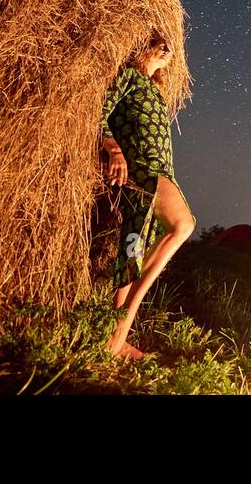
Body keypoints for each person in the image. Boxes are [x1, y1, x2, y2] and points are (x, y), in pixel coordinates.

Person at [99, 31, 196, 359]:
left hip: (160, 169)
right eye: (160, 44)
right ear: (143, 48)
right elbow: (99, 115)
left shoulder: (155, 90)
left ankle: (113, 337)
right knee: (183, 225)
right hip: (142, 165)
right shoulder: (128, 76)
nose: (167, 50)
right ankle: (120, 331)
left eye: (170, 47)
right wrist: (113, 148)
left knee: (134, 250)